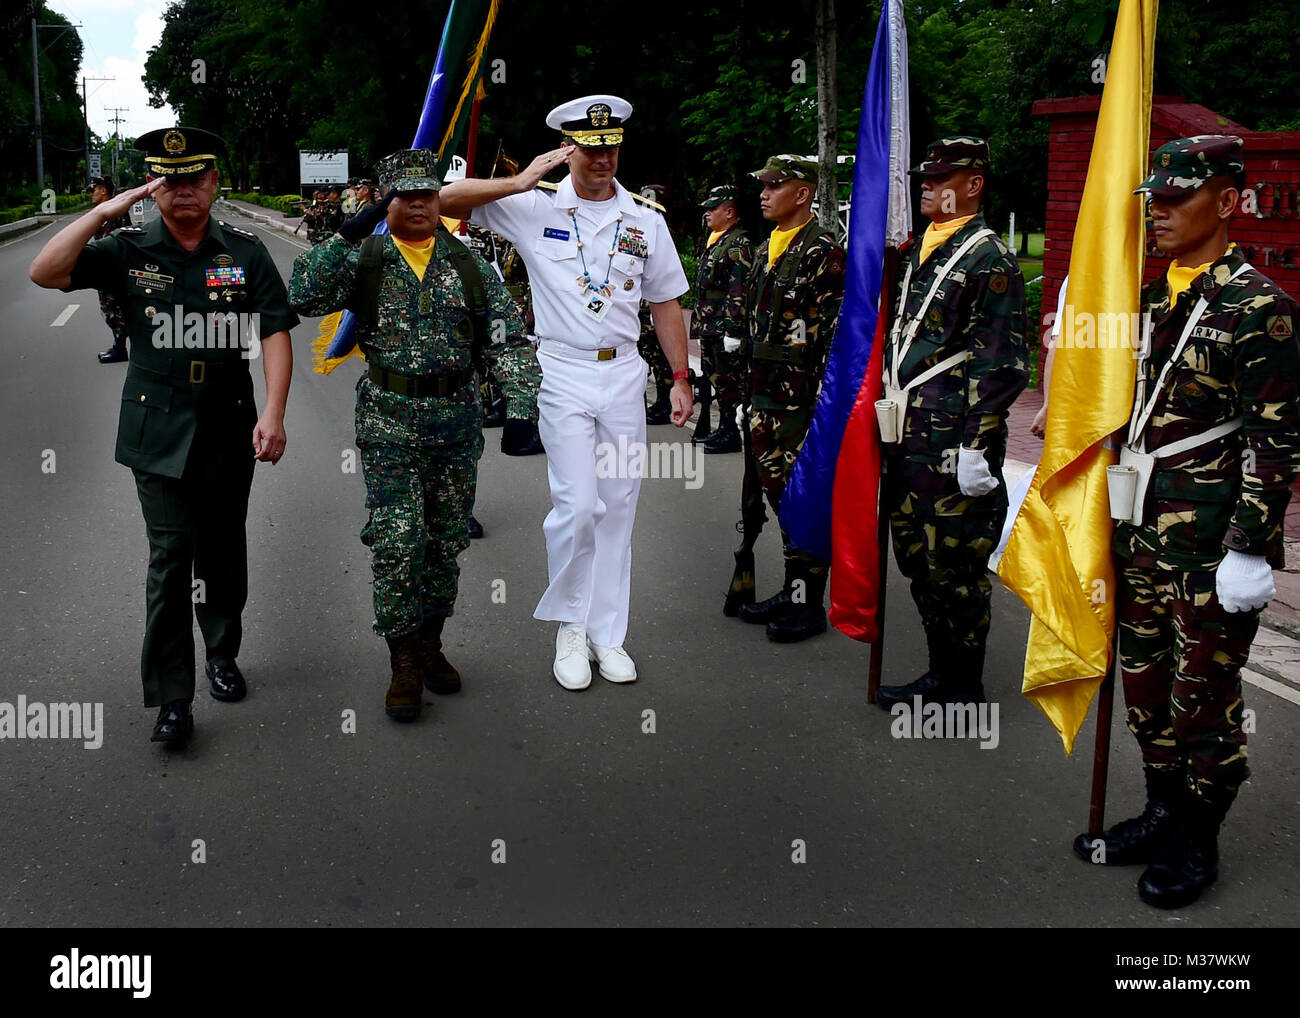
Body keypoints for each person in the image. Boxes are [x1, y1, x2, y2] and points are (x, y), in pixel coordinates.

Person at [1074, 136, 1300, 909]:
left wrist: (1249, 546)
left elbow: (1276, 435)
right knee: (1143, 685)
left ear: (1228, 202)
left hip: (1207, 545)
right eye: (1154, 201)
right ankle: (1162, 808)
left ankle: (1198, 840)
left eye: (1177, 199)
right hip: (1138, 532)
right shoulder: (1148, 297)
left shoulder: (1257, 305)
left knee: (1200, 696)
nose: (1159, 213)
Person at [28, 126, 297, 747]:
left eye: (194, 179)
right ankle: (173, 696)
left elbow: (276, 330)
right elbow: (45, 272)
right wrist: (107, 207)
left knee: (223, 546)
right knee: (170, 559)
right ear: (155, 188)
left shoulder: (245, 250)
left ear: (212, 184)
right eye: (169, 181)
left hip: (229, 419)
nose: (182, 192)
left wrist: (275, 411)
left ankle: (222, 651)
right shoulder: (127, 248)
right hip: (157, 429)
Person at [439, 94, 693, 691]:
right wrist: (521, 178)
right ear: (567, 149)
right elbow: (443, 200)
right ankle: (570, 625)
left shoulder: (646, 220)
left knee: (620, 507)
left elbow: (665, 303)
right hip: (560, 372)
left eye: (609, 148)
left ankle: (608, 632)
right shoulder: (532, 207)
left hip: (625, 375)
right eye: (587, 148)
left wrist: (680, 378)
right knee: (578, 506)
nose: (600, 159)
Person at [287, 149, 541, 721]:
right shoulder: (366, 258)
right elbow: (303, 297)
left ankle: (431, 642)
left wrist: (523, 405)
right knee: (399, 542)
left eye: (428, 194)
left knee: (445, 544)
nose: (420, 204)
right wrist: (346, 235)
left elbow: (506, 336)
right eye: (405, 194)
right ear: (386, 199)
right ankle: (403, 659)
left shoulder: (467, 263)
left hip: (456, 424)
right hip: (389, 422)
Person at [872, 137, 1028, 708]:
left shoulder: (989, 257)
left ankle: (962, 684)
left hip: (950, 442)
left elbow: (1002, 361)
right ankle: (941, 670)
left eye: (941, 176)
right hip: (906, 439)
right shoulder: (918, 252)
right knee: (917, 561)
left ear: (973, 183)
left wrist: (978, 445)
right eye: (924, 176)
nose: (925, 185)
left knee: (956, 567)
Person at [733, 154, 845, 643]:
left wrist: (825, 405)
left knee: (802, 500)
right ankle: (792, 590)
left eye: (774, 185)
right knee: (775, 497)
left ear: (802, 193)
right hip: (764, 398)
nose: (763, 192)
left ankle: (807, 604)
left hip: (800, 404)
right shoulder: (767, 248)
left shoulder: (823, 250)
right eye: (762, 184)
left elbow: (838, 335)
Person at [692, 184, 752, 453]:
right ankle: (722, 429)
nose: (707, 213)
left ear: (729, 212)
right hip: (710, 324)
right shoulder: (718, 239)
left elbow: (737, 288)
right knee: (715, 378)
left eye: (712, 208)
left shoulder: (738, 243)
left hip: (722, 325)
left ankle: (731, 432)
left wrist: (734, 329)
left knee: (729, 382)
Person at [88, 176, 131, 364]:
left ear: (103, 190)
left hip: (116, 274)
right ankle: (119, 346)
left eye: (93, 190)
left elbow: (112, 244)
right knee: (113, 310)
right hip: (109, 273)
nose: (91, 194)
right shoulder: (105, 212)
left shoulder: (113, 213)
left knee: (116, 311)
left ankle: (121, 349)